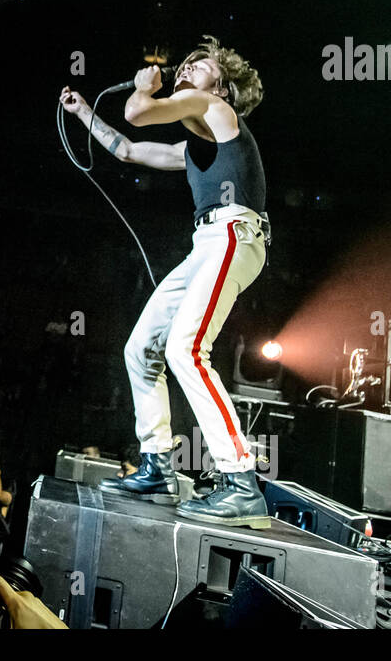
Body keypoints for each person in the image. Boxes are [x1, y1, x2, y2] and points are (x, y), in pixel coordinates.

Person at [60, 35, 271, 528]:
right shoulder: (198, 145)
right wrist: (86, 113)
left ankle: (242, 482)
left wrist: (143, 87)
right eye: (187, 64)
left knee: (186, 350)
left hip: (233, 234)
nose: (187, 69)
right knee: (140, 349)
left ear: (224, 84)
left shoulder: (215, 106)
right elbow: (130, 149)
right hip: (208, 244)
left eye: (200, 65)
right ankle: (157, 466)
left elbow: (137, 114)